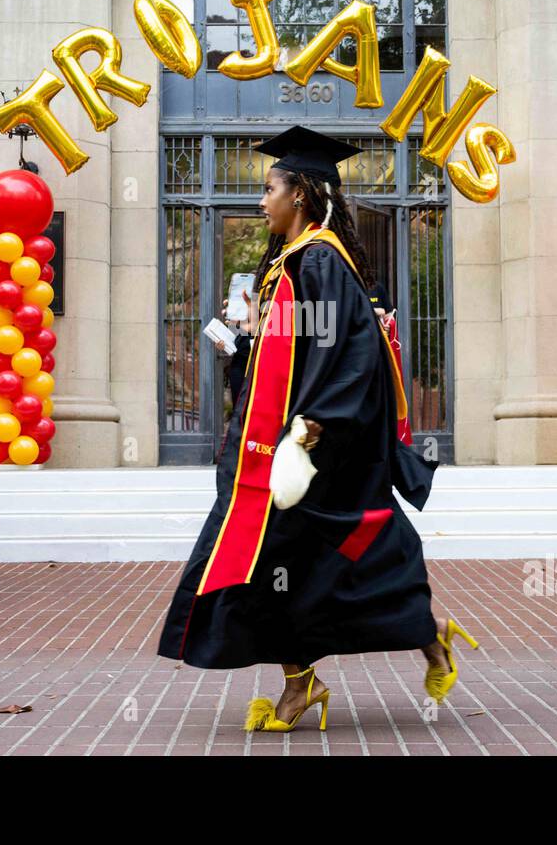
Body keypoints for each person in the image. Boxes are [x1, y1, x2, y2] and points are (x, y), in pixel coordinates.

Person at [155, 125, 479, 733]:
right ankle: (306, 683)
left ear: (299, 193)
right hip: (272, 447)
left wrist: (310, 429)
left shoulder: (321, 260)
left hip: (306, 450)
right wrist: (247, 333)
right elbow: (299, 349)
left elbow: (348, 357)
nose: (261, 201)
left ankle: (425, 632)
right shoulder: (291, 264)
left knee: (329, 556)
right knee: (277, 568)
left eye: (269, 189)